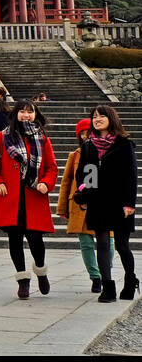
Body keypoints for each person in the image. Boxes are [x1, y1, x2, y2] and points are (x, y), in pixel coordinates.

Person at [0, 98, 57, 298]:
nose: (26, 115)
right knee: (14, 238)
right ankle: (23, 280)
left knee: (35, 239)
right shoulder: (3, 137)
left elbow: (51, 167)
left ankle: (40, 270)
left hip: (34, 195)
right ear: (15, 114)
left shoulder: (43, 139)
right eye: (22, 111)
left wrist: (46, 183)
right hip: (11, 197)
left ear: (35, 115)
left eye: (30, 112)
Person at [75, 105, 138, 303]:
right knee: (101, 244)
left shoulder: (123, 144)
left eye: (102, 116)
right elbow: (87, 174)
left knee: (122, 245)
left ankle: (130, 280)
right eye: (94, 116)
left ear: (112, 119)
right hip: (98, 202)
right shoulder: (89, 146)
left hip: (120, 202)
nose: (97, 119)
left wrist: (129, 203)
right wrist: (84, 193)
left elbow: (131, 176)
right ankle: (108, 287)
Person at [58, 119, 117, 293]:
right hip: (81, 204)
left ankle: (105, 271)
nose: (85, 135)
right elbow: (67, 182)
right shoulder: (75, 155)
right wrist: (62, 208)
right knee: (85, 243)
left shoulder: (110, 151)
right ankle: (95, 277)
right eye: (82, 133)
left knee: (109, 242)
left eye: (88, 132)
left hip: (105, 203)